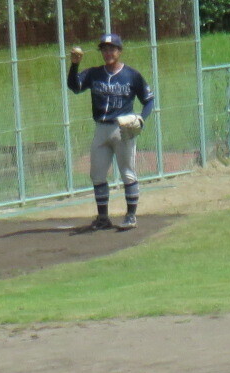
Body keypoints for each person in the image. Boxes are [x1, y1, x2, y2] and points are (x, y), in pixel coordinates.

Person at [66, 33, 153, 231]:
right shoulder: (94, 73)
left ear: (119, 51)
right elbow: (75, 86)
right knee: (97, 174)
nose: (108, 52)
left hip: (122, 129)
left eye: (112, 48)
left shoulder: (132, 75)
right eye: (105, 49)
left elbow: (149, 100)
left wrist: (141, 118)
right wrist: (74, 65)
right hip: (101, 129)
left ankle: (131, 215)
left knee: (127, 173)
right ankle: (103, 218)